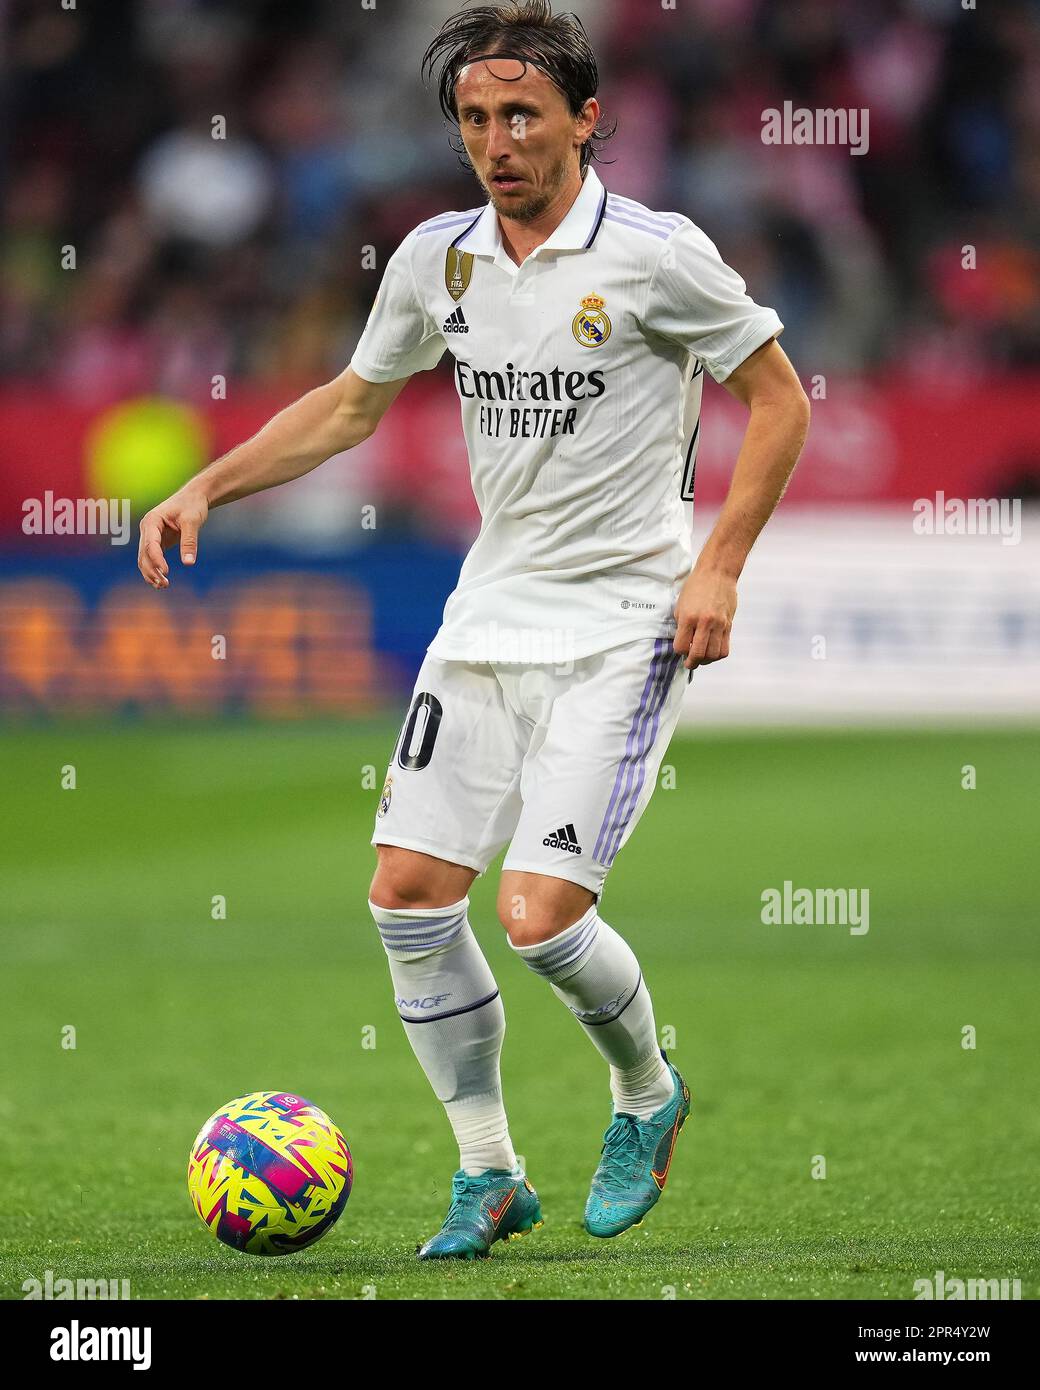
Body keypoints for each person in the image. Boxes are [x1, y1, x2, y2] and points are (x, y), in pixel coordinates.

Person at [138, 1, 810, 1261]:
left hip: (623, 622)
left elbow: (776, 404)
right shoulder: (433, 258)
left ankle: (644, 1092)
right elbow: (349, 405)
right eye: (474, 119)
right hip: (486, 616)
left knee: (541, 914)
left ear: (584, 119)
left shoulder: (659, 254)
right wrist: (204, 485)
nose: (496, 141)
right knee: (405, 895)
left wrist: (715, 566)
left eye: (521, 115)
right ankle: (489, 1170)